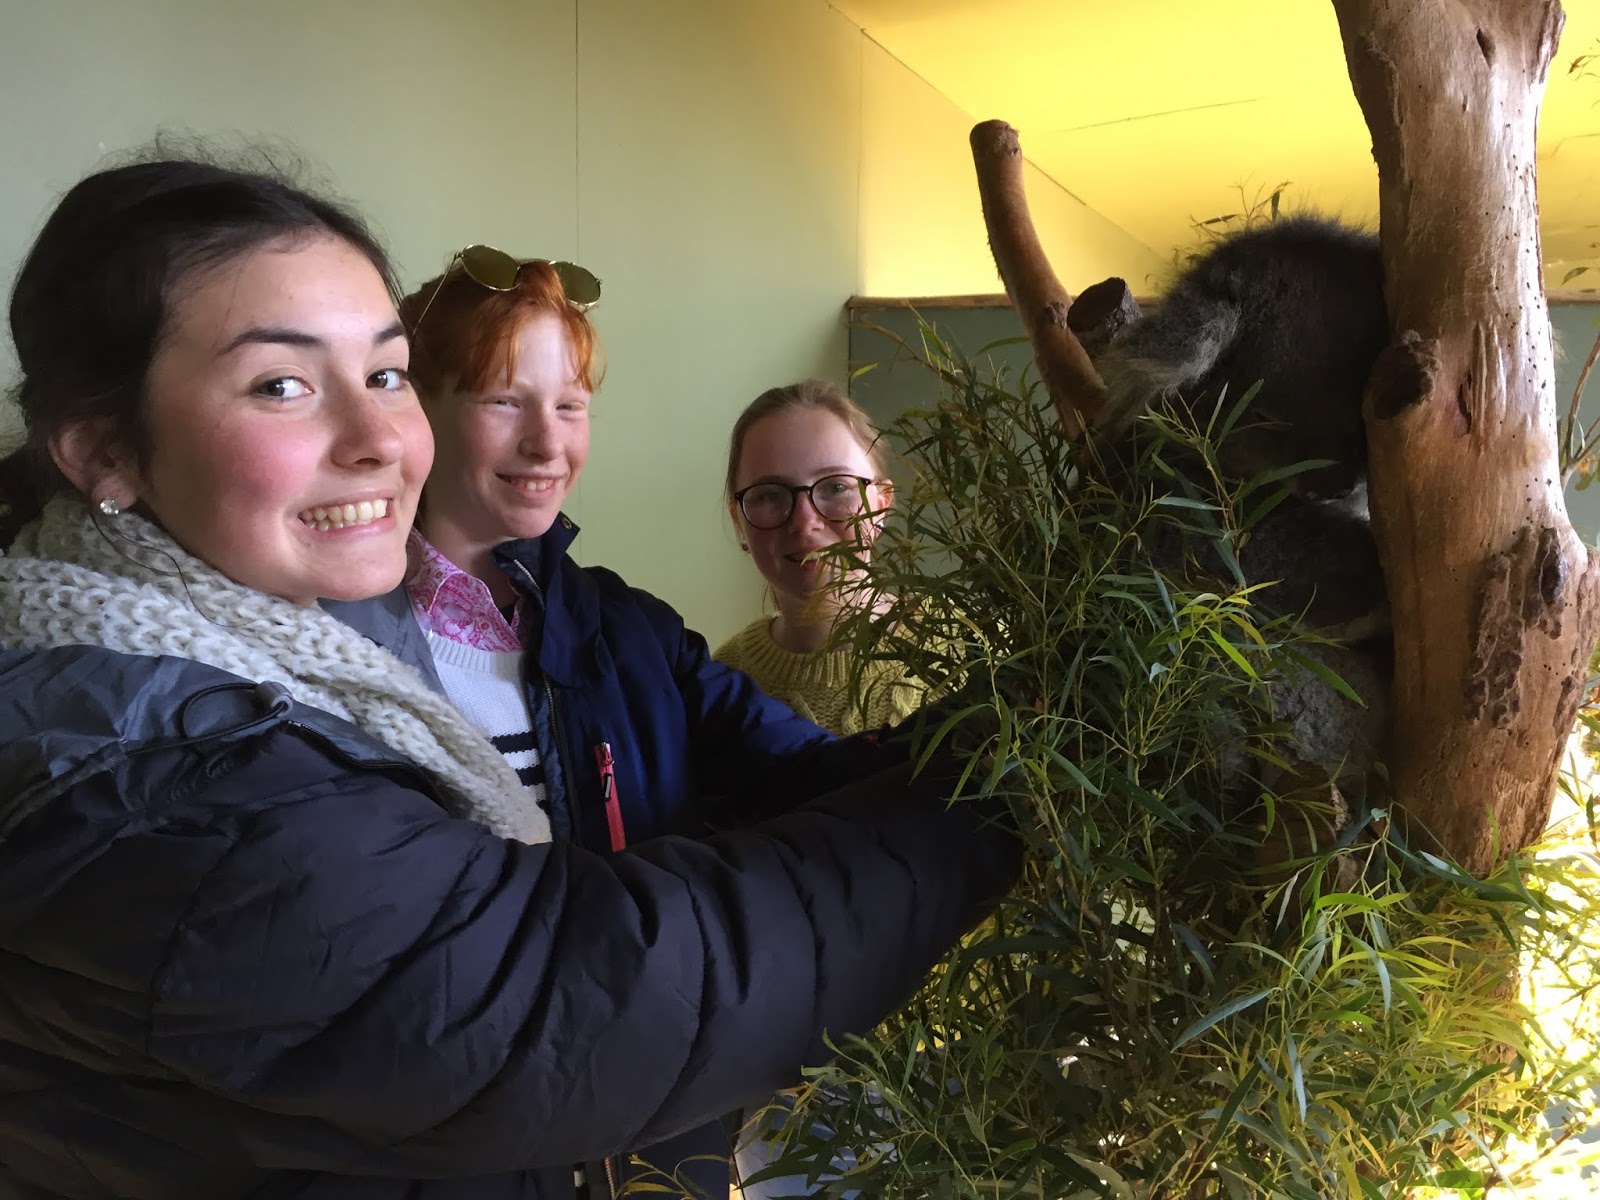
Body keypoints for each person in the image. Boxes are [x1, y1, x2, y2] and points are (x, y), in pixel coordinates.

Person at [0, 155, 1019, 1200]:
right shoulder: (160, 747)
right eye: (281, 384)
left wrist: (1028, 733)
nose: (374, 437)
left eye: (381, 373)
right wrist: (1018, 772)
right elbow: (546, 1000)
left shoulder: (615, 630)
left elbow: (801, 784)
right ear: (102, 451)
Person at [323, 248, 896, 1195]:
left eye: (572, 404)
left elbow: (819, 772)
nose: (549, 444)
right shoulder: (327, 648)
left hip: (658, 1132)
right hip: (445, 1143)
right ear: (416, 409)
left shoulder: (628, 634)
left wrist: (1009, 755)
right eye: (505, 400)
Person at [717, 379, 926, 735]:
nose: (804, 522)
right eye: (769, 495)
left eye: (836, 487)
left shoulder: (973, 648)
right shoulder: (722, 682)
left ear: (882, 505)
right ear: (739, 522)